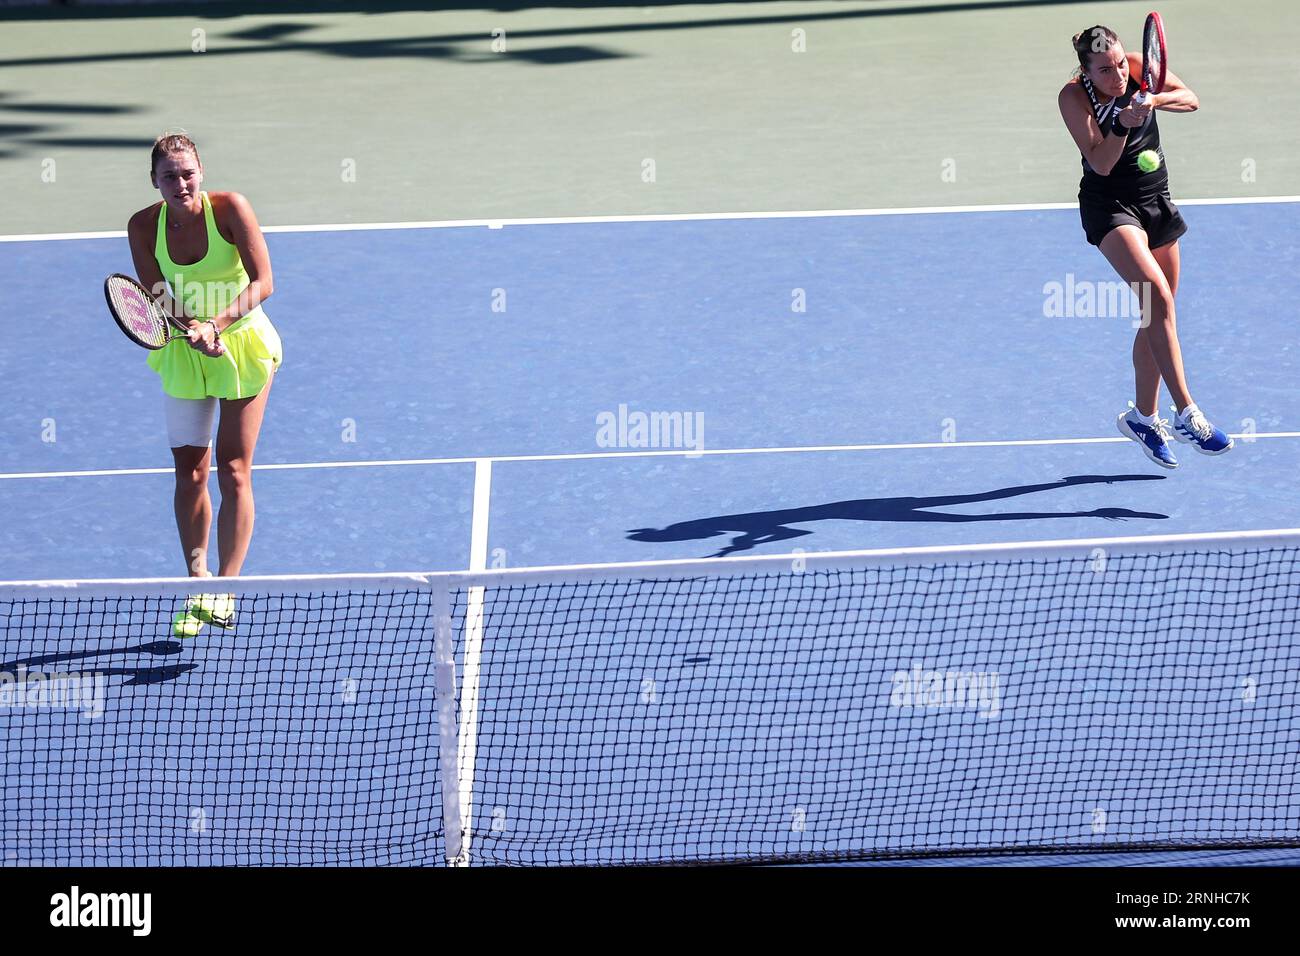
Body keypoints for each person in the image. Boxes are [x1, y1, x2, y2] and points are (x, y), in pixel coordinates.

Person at [126, 132, 282, 635]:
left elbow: (264, 282)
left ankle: (226, 590)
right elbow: (155, 293)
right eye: (169, 176)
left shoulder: (231, 208)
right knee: (190, 474)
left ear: (201, 172)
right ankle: (198, 581)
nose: (181, 183)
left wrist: (215, 325)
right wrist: (190, 328)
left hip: (242, 346)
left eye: (188, 172)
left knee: (234, 470)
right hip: (186, 351)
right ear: (154, 181)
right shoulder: (143, 226)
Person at [1058, 25, 1232, 469]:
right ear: (1085, 70)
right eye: (1104, 69)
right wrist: (1120, 123)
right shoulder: (1072, 98)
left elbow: (1190, 99)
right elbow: (1099, 162)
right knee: (1155, 297)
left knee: (1158, 312)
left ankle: (1143, 417)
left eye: (1119, 64)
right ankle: (1188, 414)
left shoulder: (1138, 68)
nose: (1117, 75)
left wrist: (1152, 100)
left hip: (1156, 197)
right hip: (1110, 206)